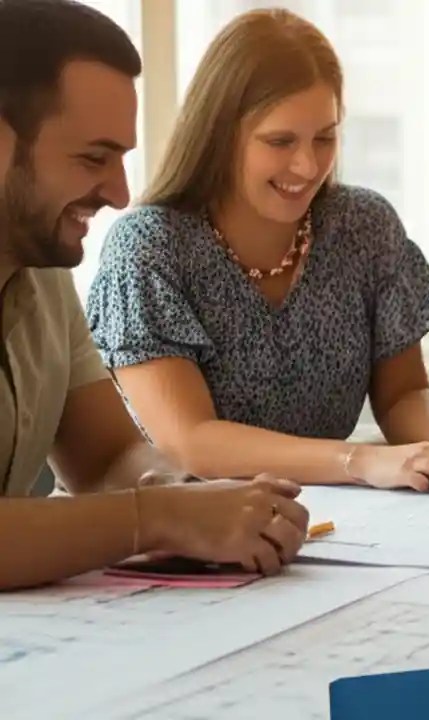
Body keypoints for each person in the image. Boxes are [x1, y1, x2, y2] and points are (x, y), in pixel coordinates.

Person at [86, 9, 429, 492]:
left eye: (325, 137)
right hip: (195, 530)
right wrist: (359, 460)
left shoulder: (364, 227)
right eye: (280, 141)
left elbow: (404, 397)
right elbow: (190, 443)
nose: (307, 164)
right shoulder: (149, 248)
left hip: (344, 526)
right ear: (219, 133)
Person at [0, 0, 308, 590]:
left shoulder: (43, 273)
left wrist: (196, 499)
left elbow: (110, 459)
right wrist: (155, 519)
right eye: (94, 157)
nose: (120, 194)